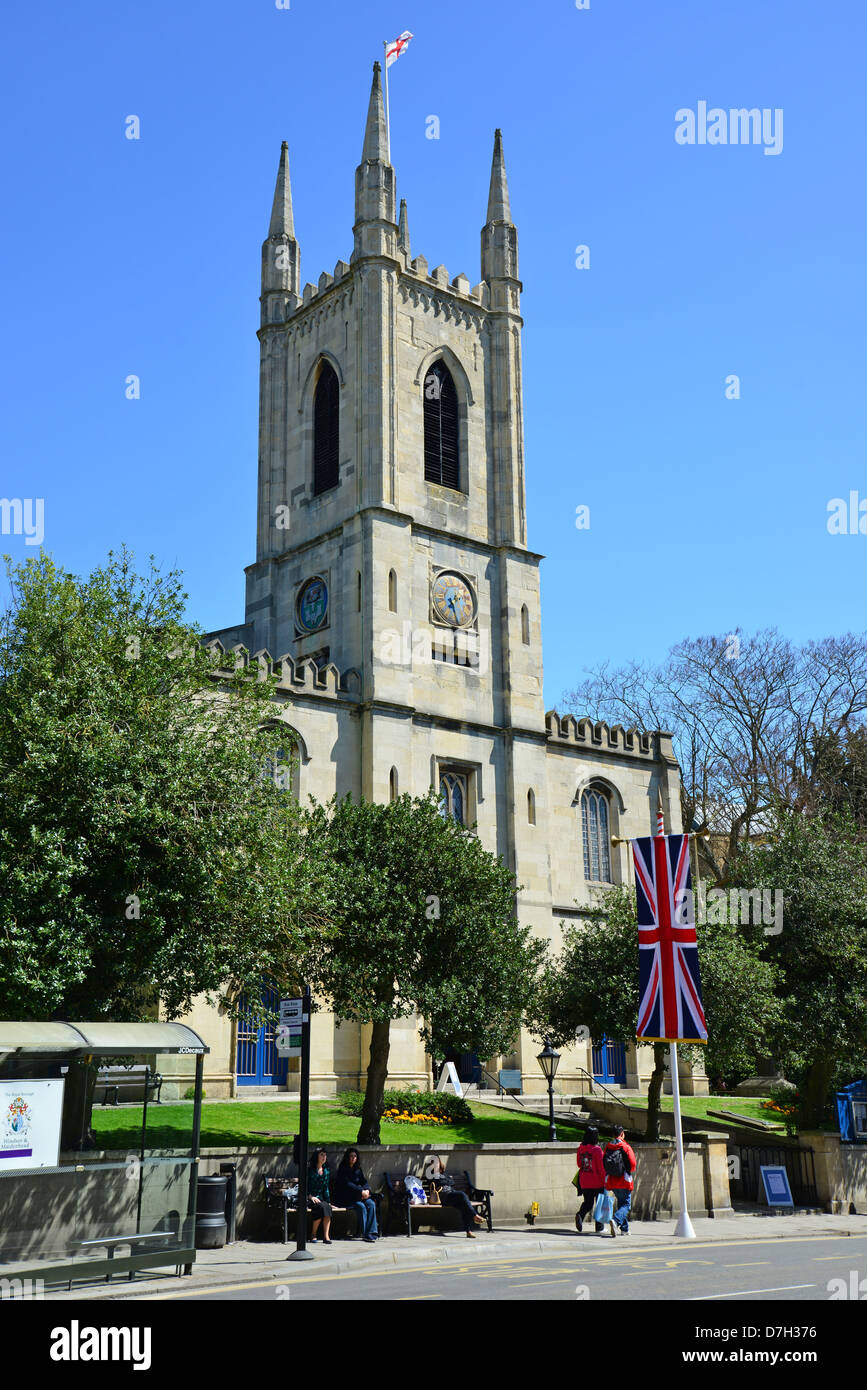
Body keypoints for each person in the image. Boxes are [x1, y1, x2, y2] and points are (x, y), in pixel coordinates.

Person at [428, 1156, 486, 1238]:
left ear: (439, 1163)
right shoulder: (431, 1174)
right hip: (443, 1197)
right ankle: (475, 1216)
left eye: (437, 1163)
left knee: (463, 1206)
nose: (435, 1165)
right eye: (433, 1163)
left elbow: (451, 1182)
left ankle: (468, 1231)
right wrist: (445, 1181)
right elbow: (439, 1182)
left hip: (452, 1194)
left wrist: (445, 1181)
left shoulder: (444, 1174)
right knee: (462, 1195)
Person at [334, 1147, 379, 1242]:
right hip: (347, 1198)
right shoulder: (343, 1169)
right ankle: (365, 1233)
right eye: (351, 1156)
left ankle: (372, 1232)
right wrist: (361, 1191)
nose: (353, 1158)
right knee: (361, 1206)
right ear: (347, 1157)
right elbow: (347, 1184)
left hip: (359, 1196)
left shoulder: (358, 1169)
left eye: (355, 1156)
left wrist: (366, 1190)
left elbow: (364, 1181)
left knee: (371, 1204)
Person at [603, 1124, 637, 1236]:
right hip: (624, 1180)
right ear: (622, 1134)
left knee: (621, 1203)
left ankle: (625, 1229)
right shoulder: (625, 1147)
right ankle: (616, 1221)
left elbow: (604, 1162)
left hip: (612, 1180)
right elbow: (632, 1164)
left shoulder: (608, 1146)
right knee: (626, 1205)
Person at [575, 1125, 606, 1233]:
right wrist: (605, 1180)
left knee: (588, 1203)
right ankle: (599, 1227)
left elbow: (579, 1164)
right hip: (597, 1181)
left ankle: (580, 1215)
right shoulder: (597, 1150)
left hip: (584, 1180)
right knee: (600, 1203)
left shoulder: (580, 1148)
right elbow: (601, 1169)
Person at [307, 1148, 333, 1244]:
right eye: (321, 1155)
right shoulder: (310, 1170)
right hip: (310, 1198)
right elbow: (304, 1185)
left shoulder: (326, 1171)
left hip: (320, 1198)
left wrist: (328, 1201)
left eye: (325, 1155)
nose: (324, 1157)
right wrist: (310, 1196)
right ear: (316, 1156)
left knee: (327, 1207)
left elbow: (326, 1188)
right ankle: (313, 1234)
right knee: (320, 1207)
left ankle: (326, 1236)